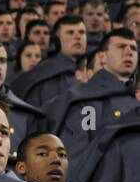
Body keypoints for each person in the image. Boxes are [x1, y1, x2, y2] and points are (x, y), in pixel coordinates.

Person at [47, 28, 139, 160]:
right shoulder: (83, 100)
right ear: (102, 57)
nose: (129, 52)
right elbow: (76, 155)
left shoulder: (135, 96)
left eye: (133, 48)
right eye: (121, 47)